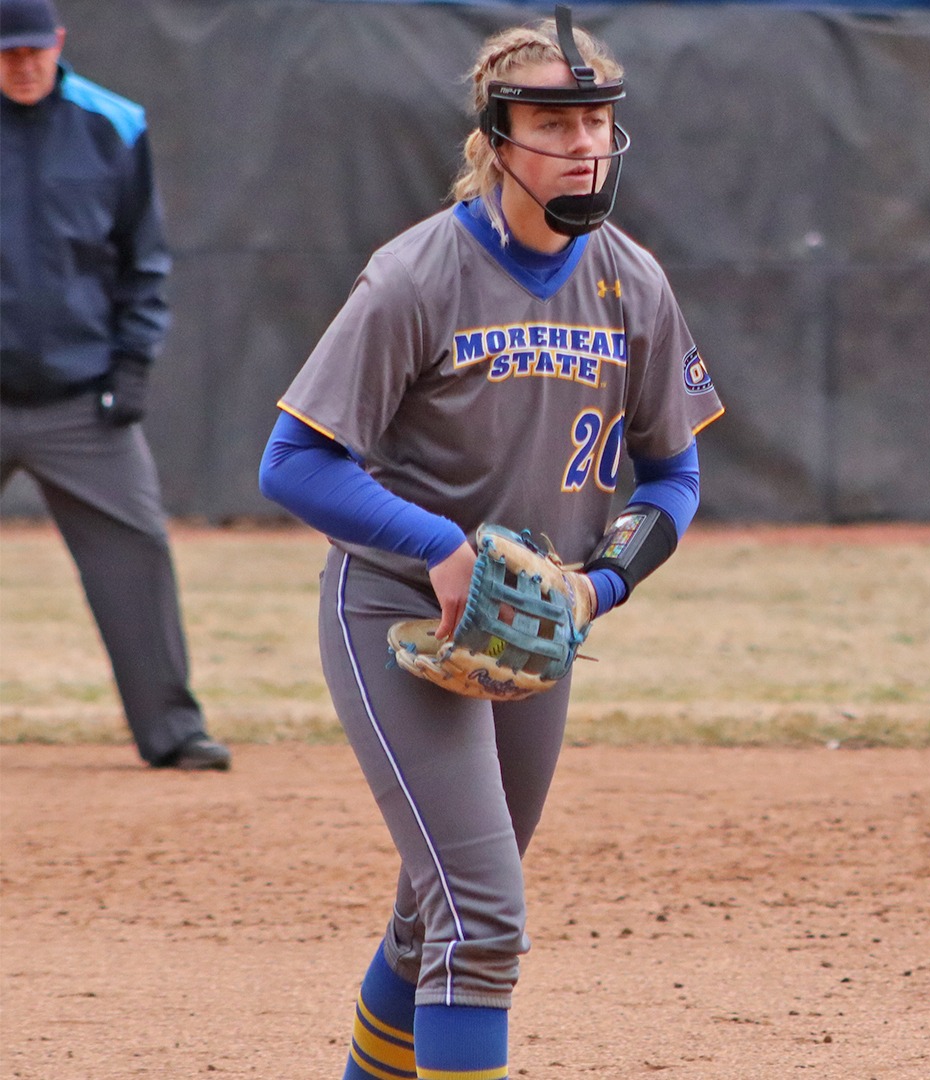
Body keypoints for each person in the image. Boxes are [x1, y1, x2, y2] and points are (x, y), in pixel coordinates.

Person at [256, 9, 721, 1078]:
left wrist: (600, 585)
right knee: (483, 919)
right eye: (554, 124)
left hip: (534, 630)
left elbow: (676, 473)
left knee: (440, 910)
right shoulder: (416, 275)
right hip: (397, 612)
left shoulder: (630, 281)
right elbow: (293, 461)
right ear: (497, 137)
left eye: (596, 123)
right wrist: (436, 546)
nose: (582, 145)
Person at [0, 0, 229, 771]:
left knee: (136, 552)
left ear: (58, 43)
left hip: (81, 401)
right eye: (6, 53)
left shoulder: (114, 124)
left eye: (33, 50)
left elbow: (144, 262)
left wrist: (130, 370)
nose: (21, 64)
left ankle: (172, 730)